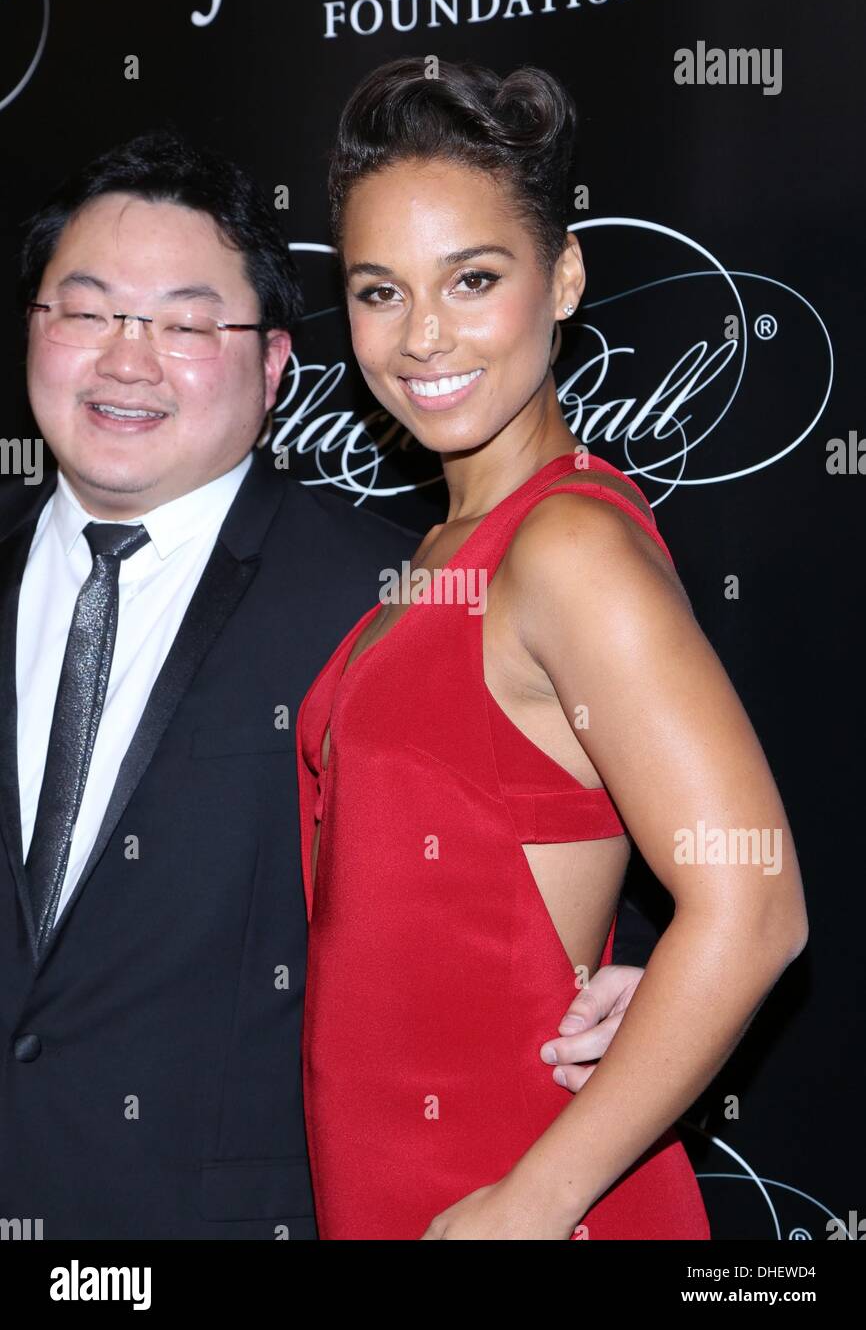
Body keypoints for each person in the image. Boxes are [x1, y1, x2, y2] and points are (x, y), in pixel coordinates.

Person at [0, 129, 641, 1240]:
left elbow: (549, 857)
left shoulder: (390, 599)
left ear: (276, 367)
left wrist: (628, 976)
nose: (126, 358)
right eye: (88, 309)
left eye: (188, 322)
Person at [296, 58, 809, 1240]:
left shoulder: (565, 544)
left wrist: (528, 1204)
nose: (423, 336)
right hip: (399, 1185)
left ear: (563, 275)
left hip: (505, 1192)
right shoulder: (442, 544)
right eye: (379, 292)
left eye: (472, 278)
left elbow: (756, 904)